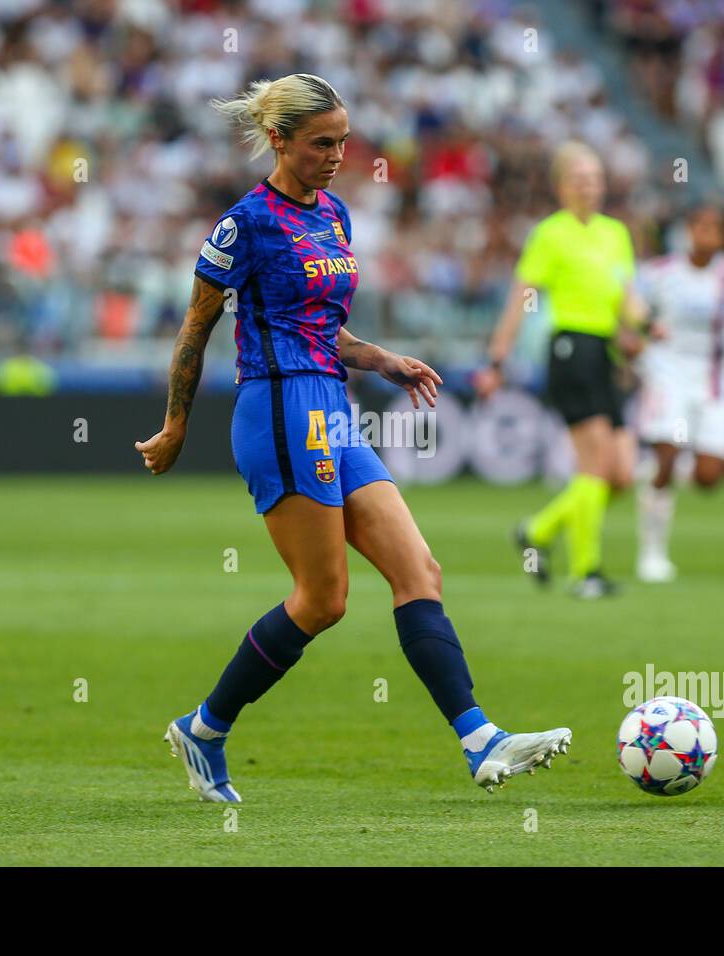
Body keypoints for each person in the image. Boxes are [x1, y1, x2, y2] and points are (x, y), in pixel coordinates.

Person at [133, 73, 570, 802]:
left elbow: (322, 327)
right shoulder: (246, 223)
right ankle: (206, 728)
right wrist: (178, 422)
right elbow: (197, 323)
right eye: (321, 143)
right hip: (276, 411)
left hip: (332, 406)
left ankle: (479, 739)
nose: (337, 155)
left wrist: (382, 359)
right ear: (278, 140)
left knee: (419, 572)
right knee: (323, 598)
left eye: (343, 141)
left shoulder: (333, 213)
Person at [478, 141, 645, 598]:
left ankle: (538, 530)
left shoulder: (615, 234)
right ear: (561, 186)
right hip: (571, 349)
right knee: (593, 466)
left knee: (622, 474)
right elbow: (520, 298)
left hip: (606, 355)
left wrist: (646, 325)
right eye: (581, 179)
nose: (590, 187)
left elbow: (627, 299)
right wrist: (497, 360)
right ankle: (585, 573)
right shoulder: (550, 234)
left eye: (596, 179)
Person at [633, 203, 724, 582]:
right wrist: (636, 338)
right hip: (668, 373)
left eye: (714, 228)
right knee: (669, 452)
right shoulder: (660, 272)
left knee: (710, 476)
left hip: (715, 379)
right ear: (687, 230)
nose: (705, 234)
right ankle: (652, 554)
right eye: (699, 226)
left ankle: (658, 473)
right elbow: (630, 312)